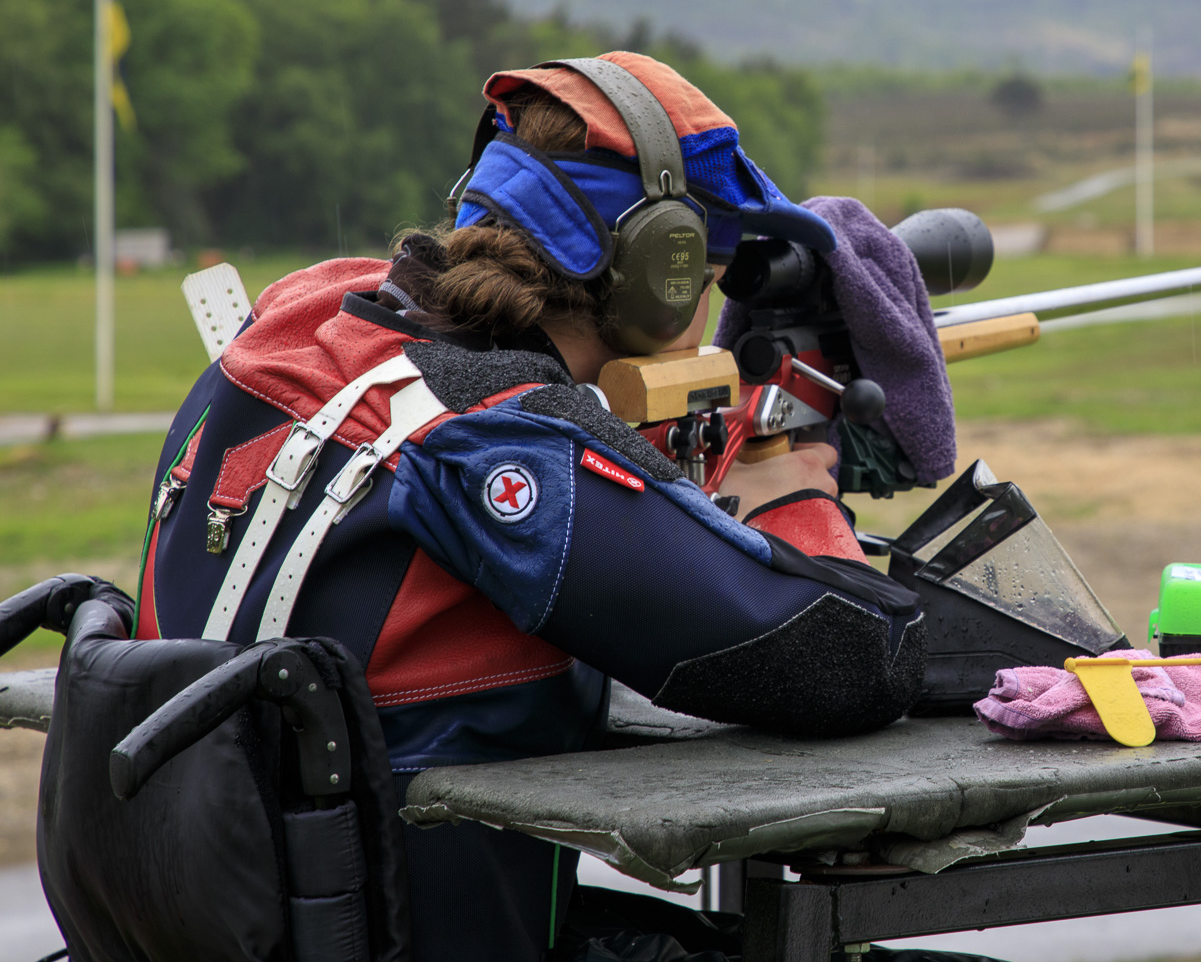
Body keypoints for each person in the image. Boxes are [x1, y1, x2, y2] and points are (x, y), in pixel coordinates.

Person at [137, 53, 929, 961]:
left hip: (251, 909)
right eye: (708, 274)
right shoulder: (493, 436)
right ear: (658, 269)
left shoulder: (302, 313)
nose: (711, 300)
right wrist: (798, 492)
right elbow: (853, 661)